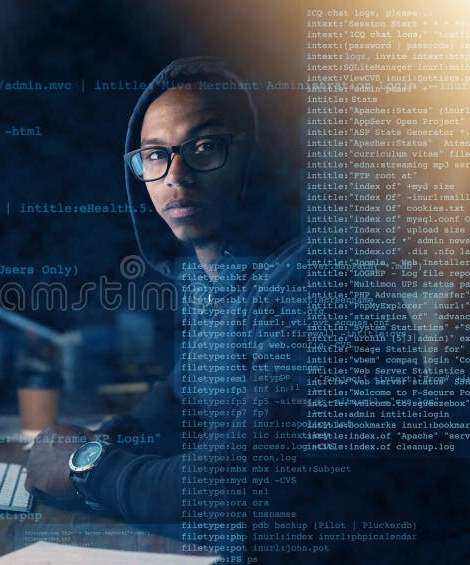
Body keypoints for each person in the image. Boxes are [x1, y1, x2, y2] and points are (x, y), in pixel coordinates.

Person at [24, 57, 450, 564]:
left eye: (205, 146)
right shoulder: (218, 279)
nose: (175, 175)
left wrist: (87, 469)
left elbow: (237, 480)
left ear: (258, 157)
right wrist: (101, 440)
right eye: (155, 155)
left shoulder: (315, 282)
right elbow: (177, 403)